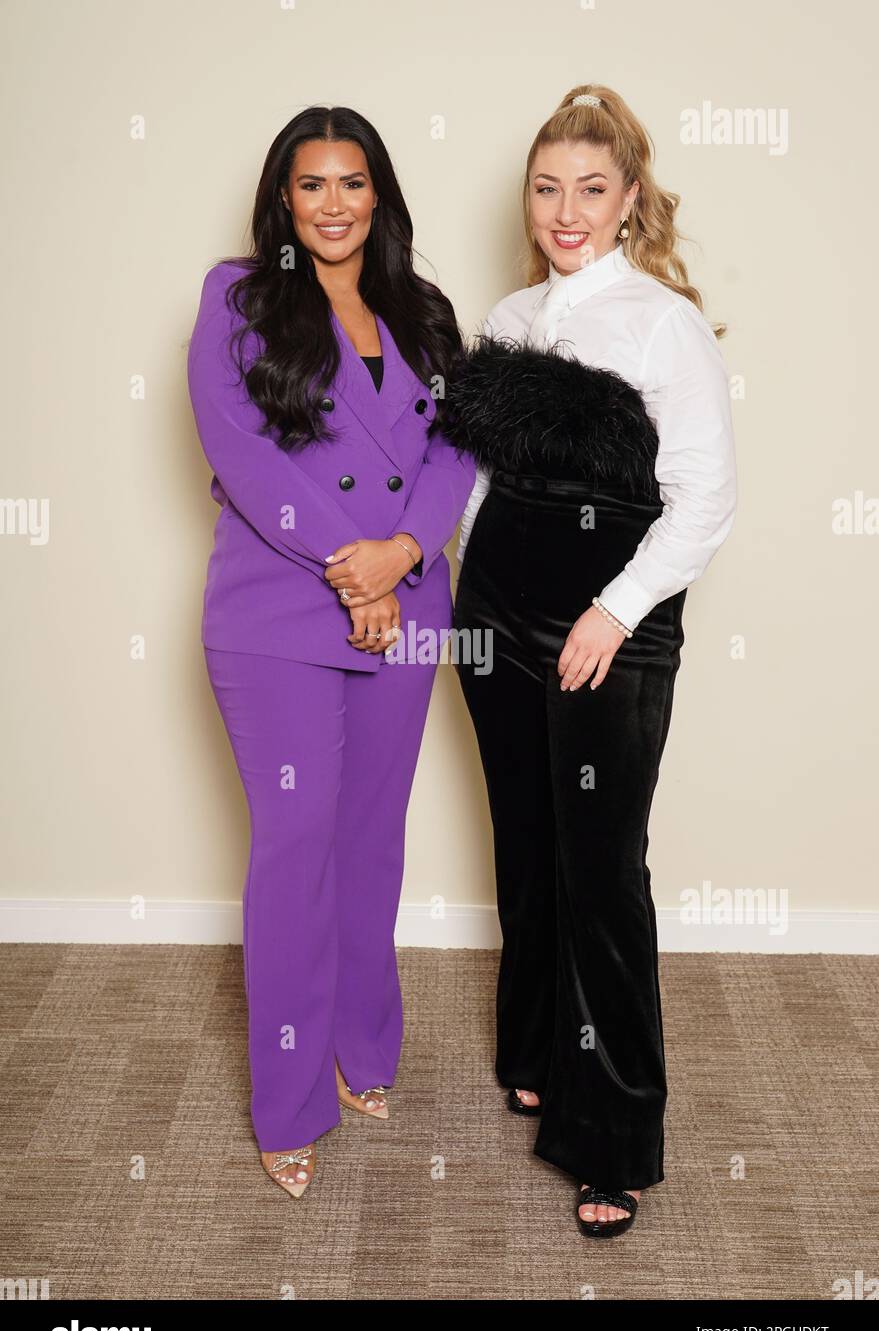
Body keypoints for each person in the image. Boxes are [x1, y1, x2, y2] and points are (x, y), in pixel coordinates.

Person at [446, 84, 736, 1236]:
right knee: (523, 841)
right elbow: (471, 479)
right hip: (497, 616)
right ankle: (534, 1056)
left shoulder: (662, 323)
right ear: (531, 198)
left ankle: (609, 1134)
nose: (567, 211)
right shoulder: (511, 319)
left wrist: (611, 612)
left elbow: (705, 500)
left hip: (609, 625)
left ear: (628, 202)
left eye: (592, 190)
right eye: (548, 188)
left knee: (602, 870)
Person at [187, 105, 476, 1198]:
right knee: (296, 842)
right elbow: (240, 452)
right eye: (311, 185)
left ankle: (366, 1046)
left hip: (405, 601)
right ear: (283, 201)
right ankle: (292, 1095)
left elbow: (456, 448)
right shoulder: (239, 298)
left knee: (370, 839)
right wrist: (348, 563)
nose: (334, 204)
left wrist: (401, 551)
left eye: (353, 183)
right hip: (279, 610)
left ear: (379, 195)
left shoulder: (426, 311)